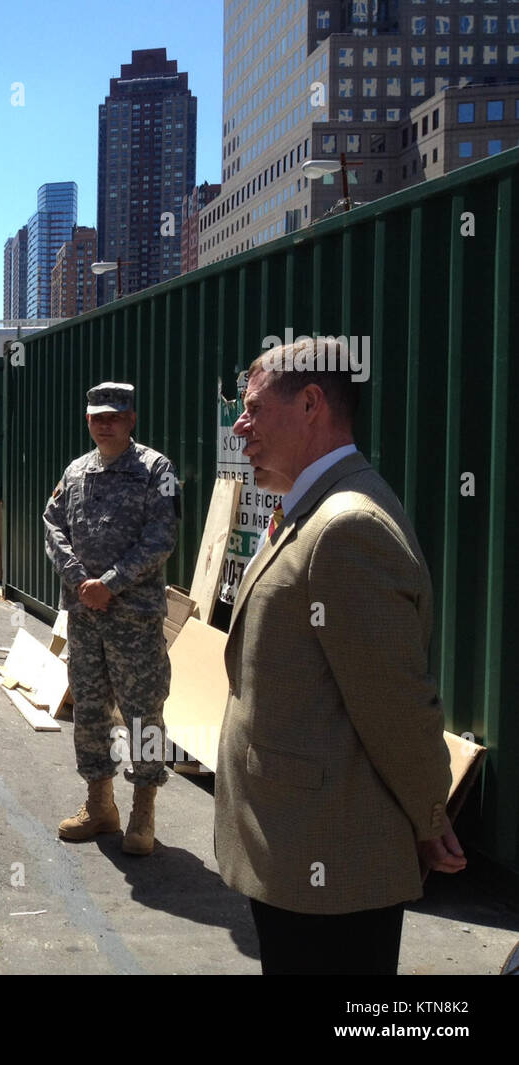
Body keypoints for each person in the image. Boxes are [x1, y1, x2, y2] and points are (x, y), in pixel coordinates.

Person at [216, 338, 465, 975]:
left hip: (329, 858)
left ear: (310, 403)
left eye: (252, 409)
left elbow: (395, 704)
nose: (240, 425)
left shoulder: (345, 527)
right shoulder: (311, 509)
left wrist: (430, 814)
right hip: (294, 845)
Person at [43, 382, 179, 856]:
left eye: (115, 416)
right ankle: (100, 804)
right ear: (88, 421)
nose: (106, 423)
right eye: (98, 416)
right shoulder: (76, 471)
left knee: (142, 712)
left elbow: (161, 537)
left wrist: (111, 584)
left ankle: (143, 811)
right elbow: (52, 524)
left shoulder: (155, 469)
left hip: (133, 618)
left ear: (131, 420)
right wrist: (81, 579)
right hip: (85, 615)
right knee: (90, 709)